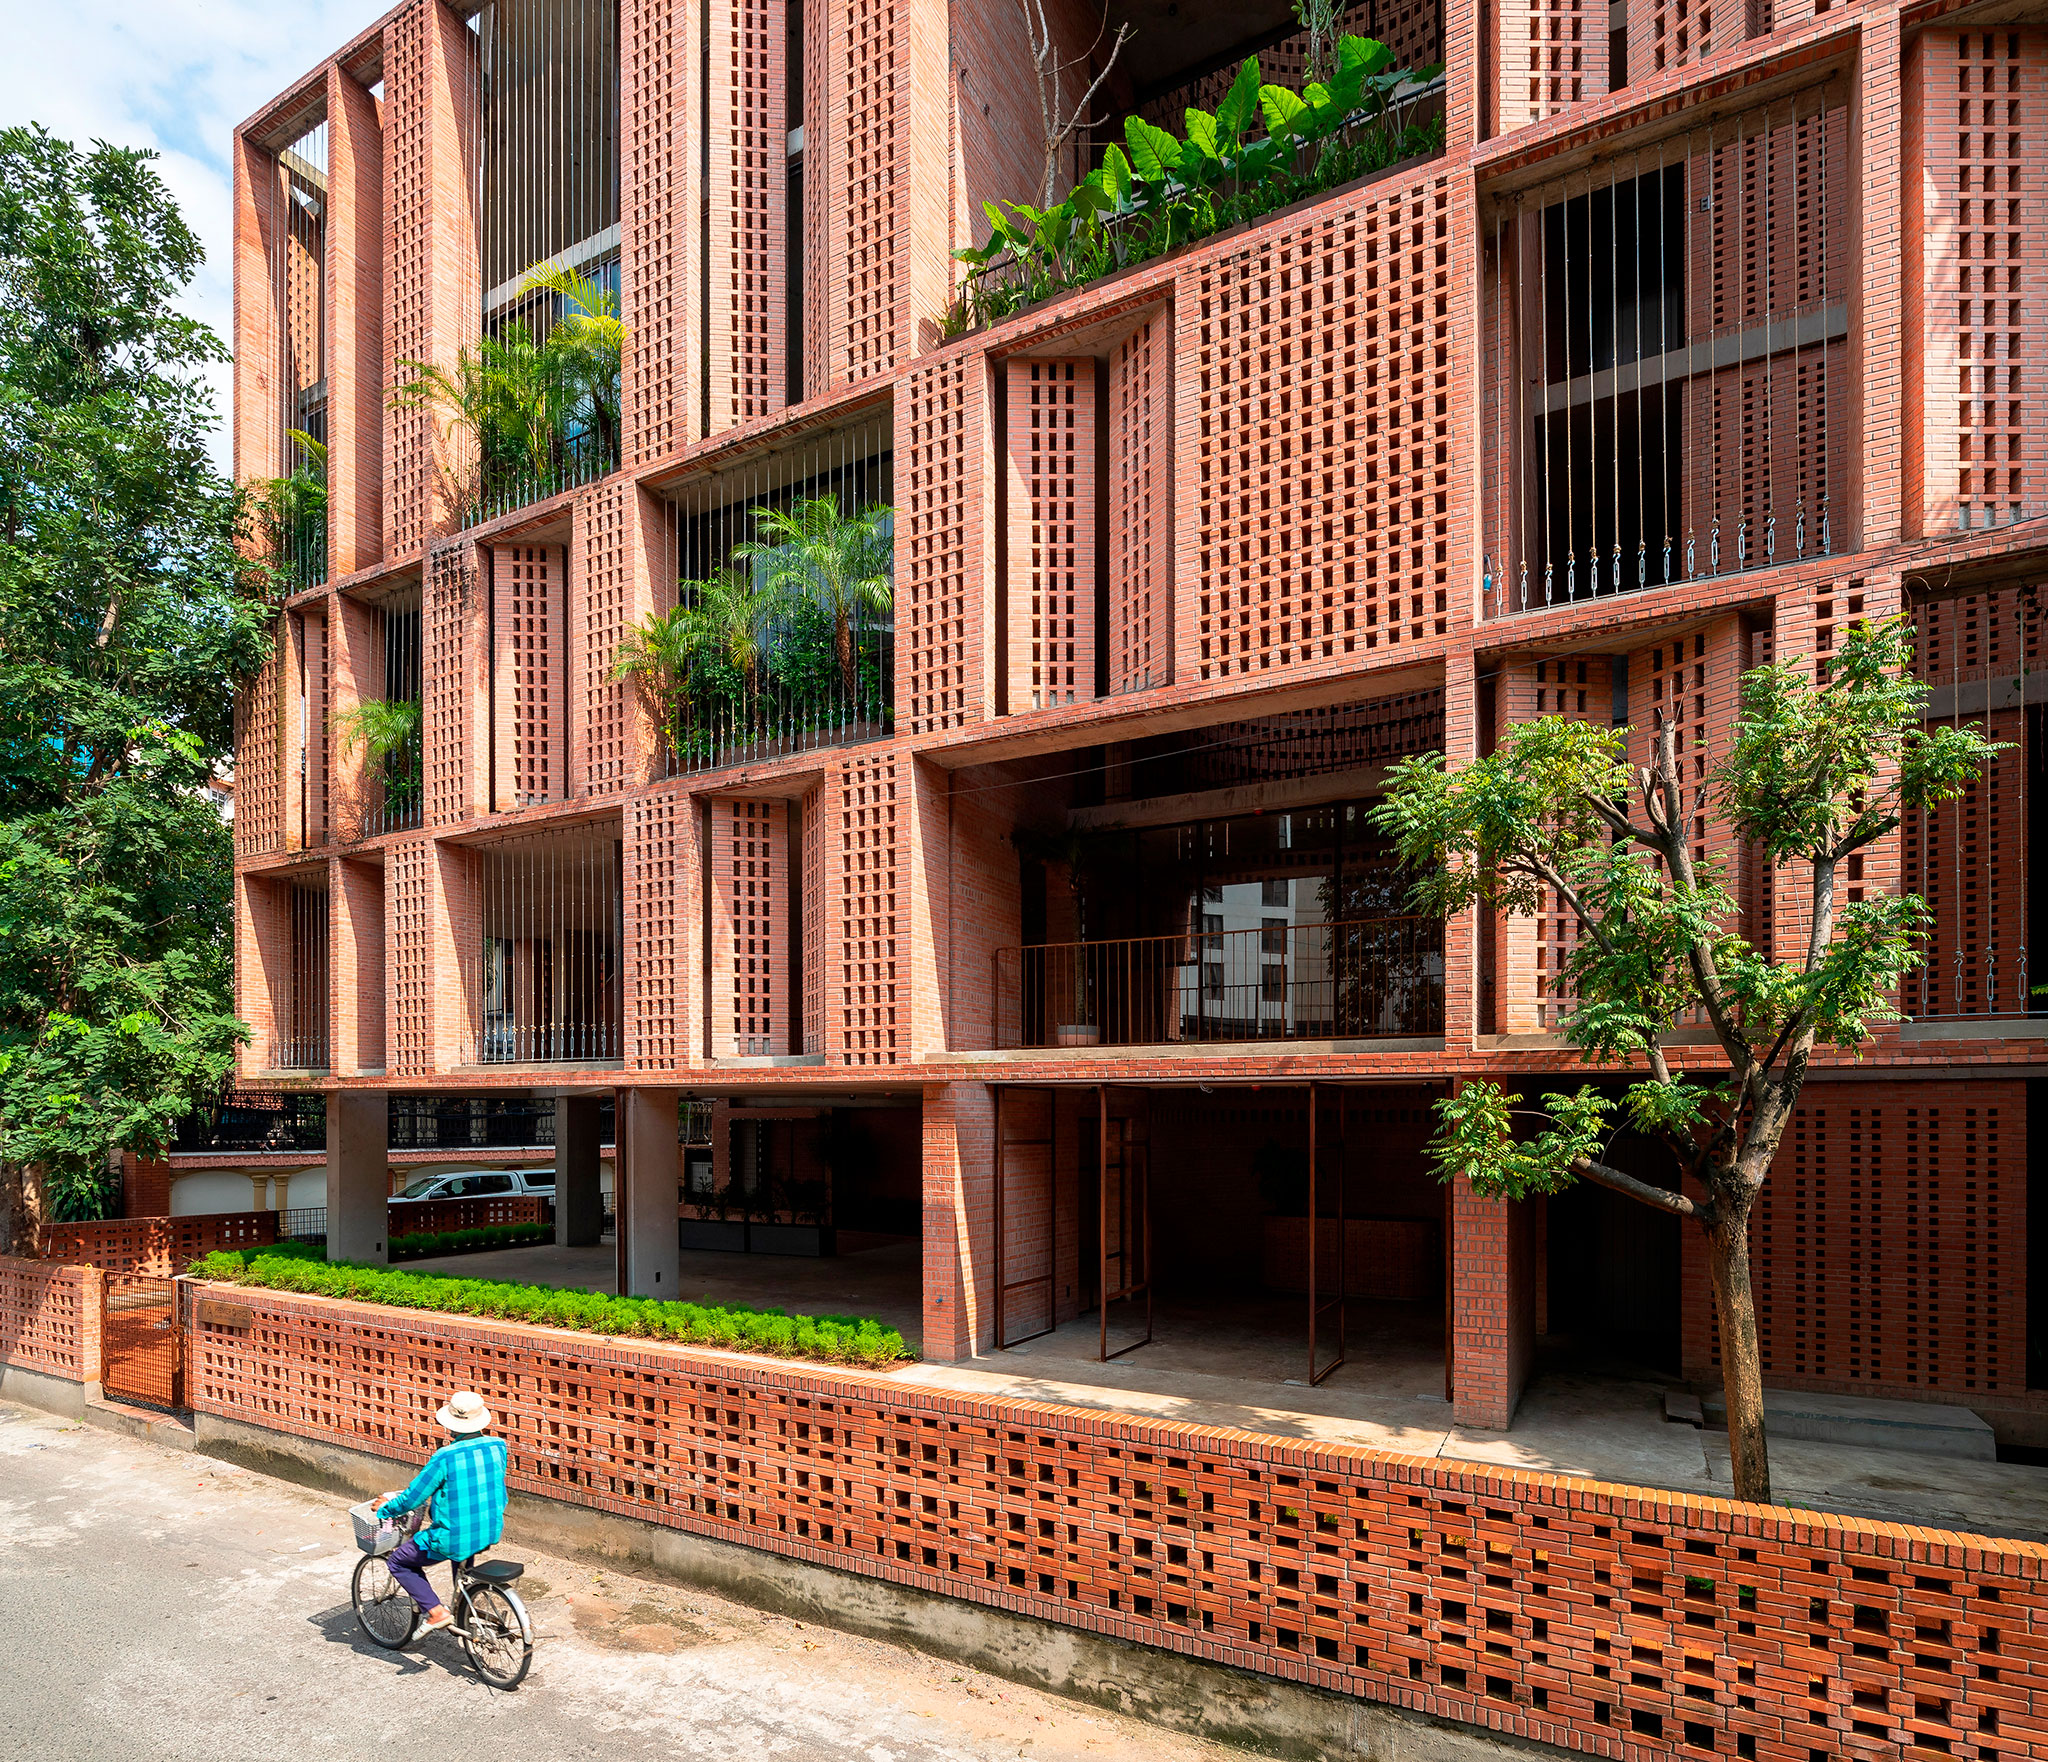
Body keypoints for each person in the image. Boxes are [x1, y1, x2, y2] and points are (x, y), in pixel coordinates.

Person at [376, 1390, 508, 1633]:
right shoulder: (498, 1446)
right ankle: (463, 1608)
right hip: (488, 1529)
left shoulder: (445, 1456)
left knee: (398, 1562)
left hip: (453, 1536)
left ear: (451, 1424)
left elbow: (413, 1498)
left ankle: (436, 1613)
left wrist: (385, 1508)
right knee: (462, 1559)